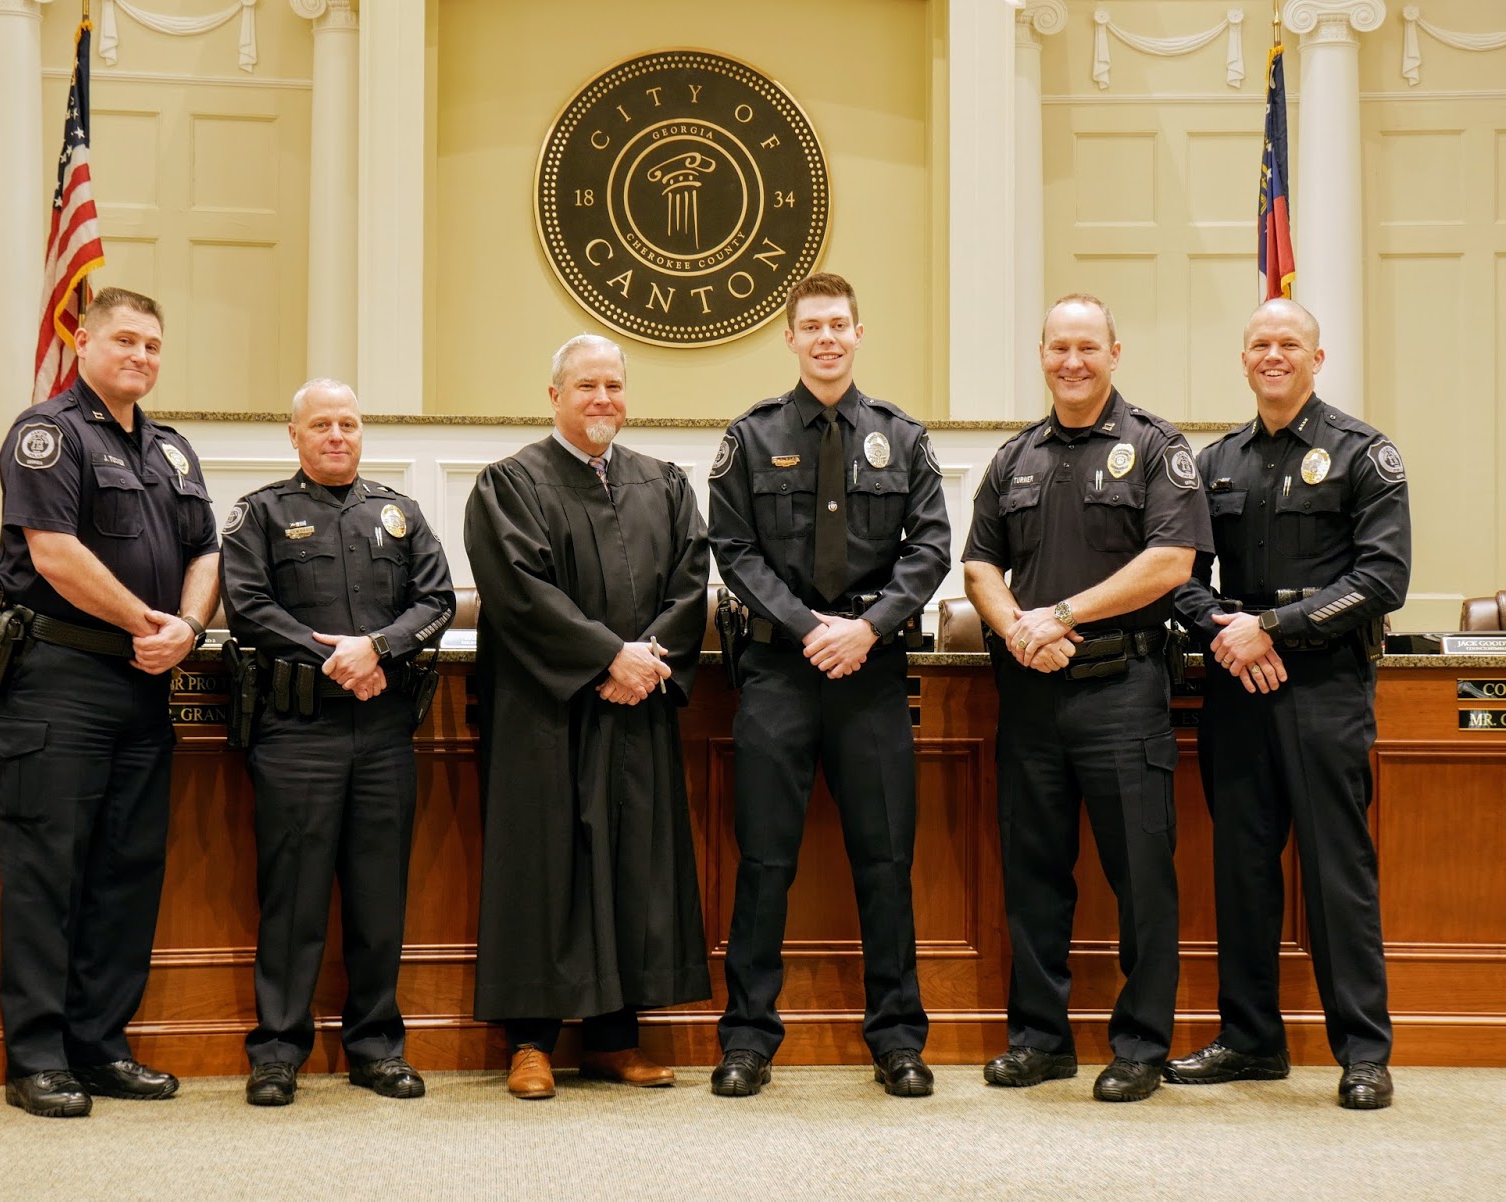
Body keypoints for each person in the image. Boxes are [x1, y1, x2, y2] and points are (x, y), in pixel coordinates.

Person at [708, 272, 951, 1098]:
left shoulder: (901, 437)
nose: (826, 338)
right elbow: (733, 549)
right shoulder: (751, 437)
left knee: (885, 861)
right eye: (811, 325)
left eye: (839, 325)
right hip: (779, 670)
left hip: (872, 675)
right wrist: (813, 628)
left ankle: (898, 1039)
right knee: (765, 860)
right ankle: (747, 1038)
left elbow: (929, 549)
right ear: (790, 337)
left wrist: (867, 627)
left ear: (857, 332)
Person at [963, 293, 1211, 1103]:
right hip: (1031, 695)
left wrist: (1061, 615)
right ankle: (1041, 1040)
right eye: (1058, 347)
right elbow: (980, 569)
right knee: (1033, 874)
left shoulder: (1154, 448)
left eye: (1088, 347)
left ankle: (1140, 1045)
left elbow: (1172, 561)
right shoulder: (1013, 460)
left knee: (1141, 877)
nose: (1073, 361)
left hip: (1122, 688)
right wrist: (1016, 631)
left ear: (1114, 351)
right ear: (1041, 354)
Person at [1166, 299, 1410, 1110]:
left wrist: (1271, 627)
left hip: (1324, 689)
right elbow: (1181, 574)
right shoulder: (1216, 461)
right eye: (1260, 344)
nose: (1274, 355)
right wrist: (1232, 635)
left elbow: (1383, 580)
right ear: (1244, 360)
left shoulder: (1361, 454)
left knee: (1337, 872)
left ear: (1317, 357)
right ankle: (1250, 1039)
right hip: (1238, 689)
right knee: (1241, 872)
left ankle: (1363, 1053)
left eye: (1289, 344)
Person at [0, 287, 218, 1117]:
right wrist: (144, 622)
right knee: (47, 872)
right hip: (61, 678)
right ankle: (38, 1057)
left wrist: (188, 626)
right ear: (82, 341)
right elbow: (53, 555)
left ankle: (100, 1045)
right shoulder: (48, 433)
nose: (142, 357)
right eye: (125, 340)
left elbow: (206, 551)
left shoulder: (173, 452)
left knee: (126, 872)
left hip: (145, 682)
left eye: (153, 345)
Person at [464, 334, 711, 1100]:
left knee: (632, 862)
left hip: (636, 708)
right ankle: (531, 1043)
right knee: (542, 866)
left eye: (613, 385)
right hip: (545, 708)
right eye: (585, 386)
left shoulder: (664, 483)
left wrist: (646, 664)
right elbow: (519, 592)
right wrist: (608, 658)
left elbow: (690, 585)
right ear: (554, 396)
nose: (602, 398)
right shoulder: (509, 484)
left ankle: (614, 1039)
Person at [219, 379, 455, 1107]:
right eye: (321, 424)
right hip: (297, 732)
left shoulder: (400, 512)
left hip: (383, 733)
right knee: (292, 895)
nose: (337, 436)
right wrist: (337, 658)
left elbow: (436, 601)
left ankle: (376, 1048)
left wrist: (376, 648)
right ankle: (278, 1051)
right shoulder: (261, 513)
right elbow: (248, 605)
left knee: (379, 895)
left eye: (348, 424)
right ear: (294, 435)